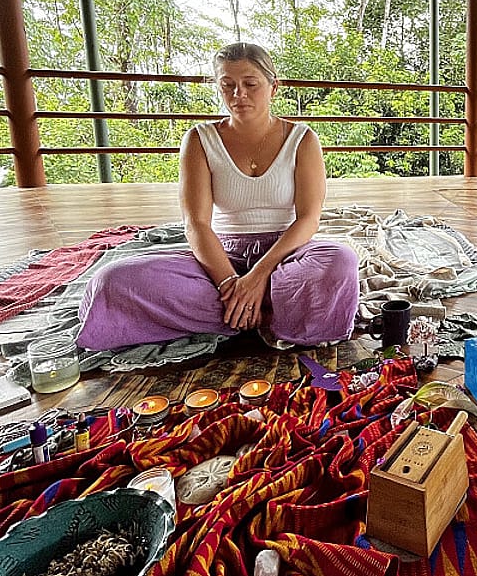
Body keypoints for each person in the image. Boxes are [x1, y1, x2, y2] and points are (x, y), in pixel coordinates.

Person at [78, 42, 359, 350]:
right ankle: (268, 312)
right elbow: (196, 223)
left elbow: (308, 219)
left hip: (285, 256)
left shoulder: (302, 139)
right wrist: (229, 283)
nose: (239, 94)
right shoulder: (200, 139)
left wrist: (256, 278)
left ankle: (240, 311)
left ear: (273, 87)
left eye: (250, 84)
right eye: (228, 85)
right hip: (219, 258)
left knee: (340, 262)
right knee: (113, 281)